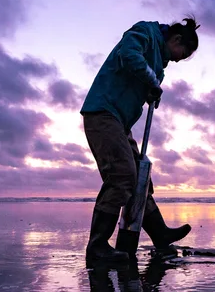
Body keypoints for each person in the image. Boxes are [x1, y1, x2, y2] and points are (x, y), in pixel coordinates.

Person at [80, 17, 200, 266]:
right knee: (122, 175)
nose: (179, 60)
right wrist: (151, 80)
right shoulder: (146, 32)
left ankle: (160, 234)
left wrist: (152, 90)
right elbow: (129, 54)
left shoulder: (160, 65)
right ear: (177, 39)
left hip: (120, 122)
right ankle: (98, 246)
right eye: (183, 54)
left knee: (140, 180)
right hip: (103, 112)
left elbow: (146, 82)